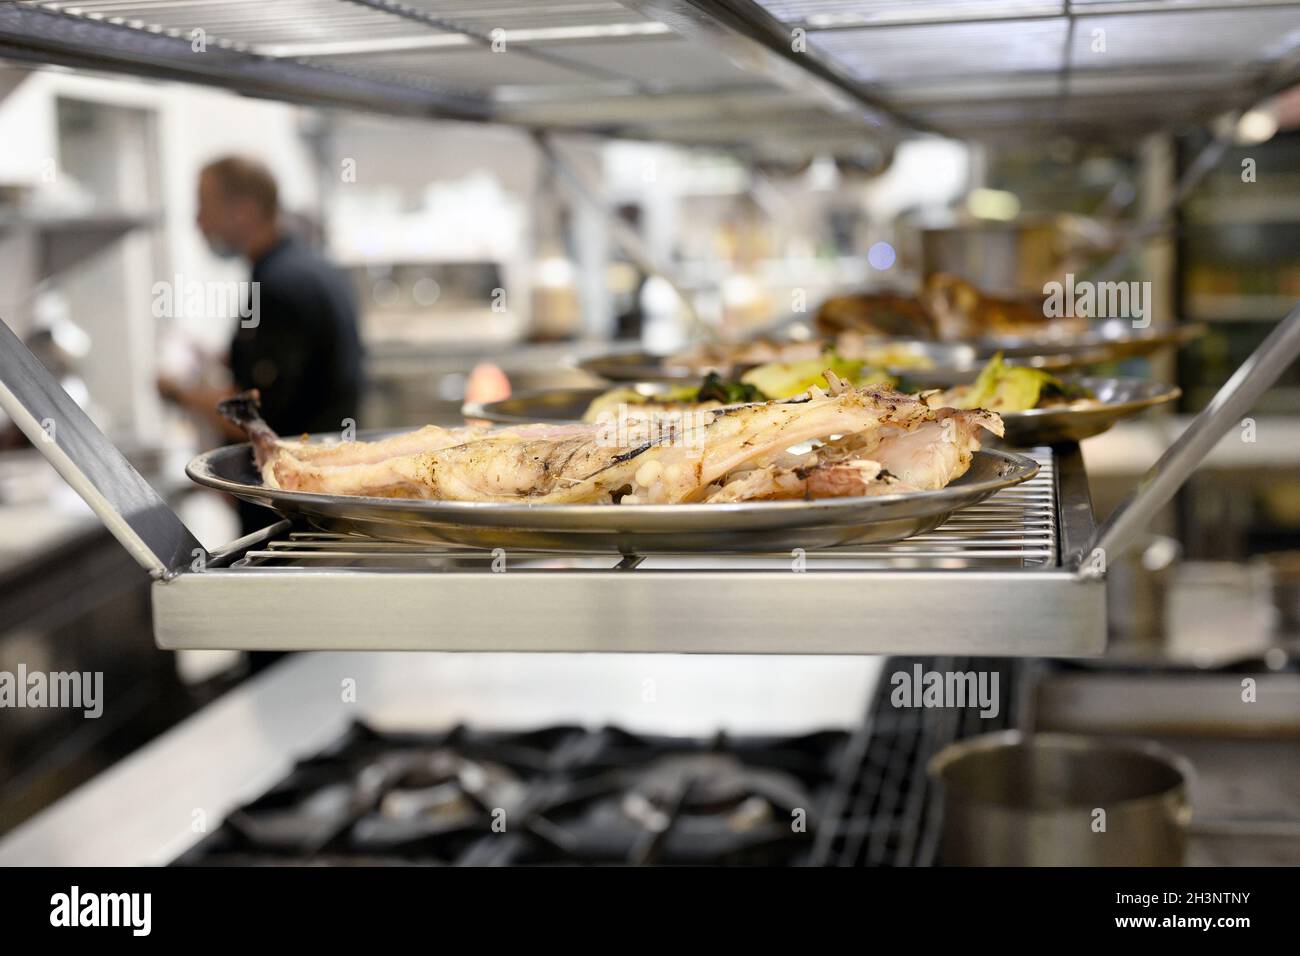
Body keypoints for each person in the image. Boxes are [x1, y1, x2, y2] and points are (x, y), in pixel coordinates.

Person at [160, 156, 363, 536]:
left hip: (292, 509)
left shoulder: (280, 286)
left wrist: (177, 391)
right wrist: (221, 358)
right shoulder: (307, 267)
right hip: (321, 498)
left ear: (244, 211)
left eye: (204, 207)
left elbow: (257, 417)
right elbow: (295, 372)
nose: (198, 222)